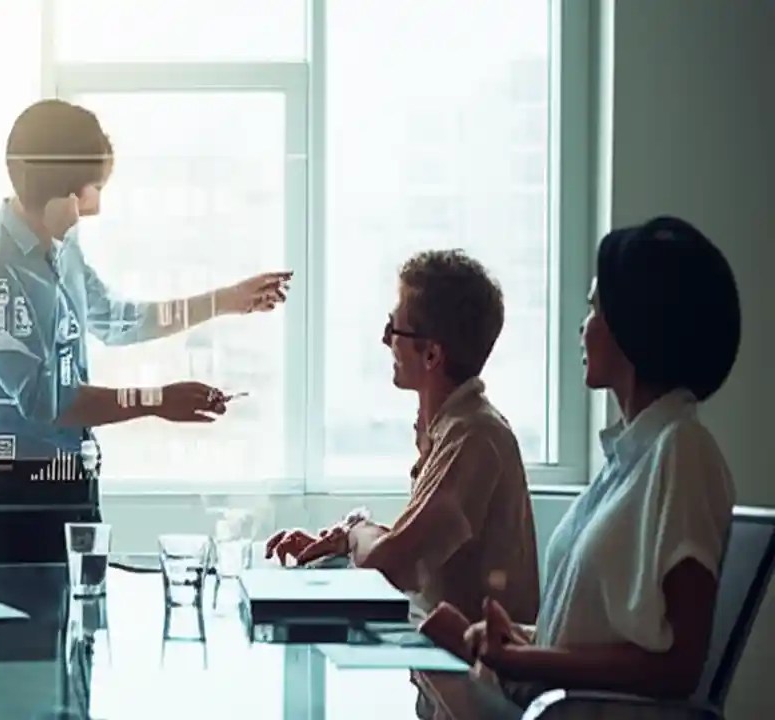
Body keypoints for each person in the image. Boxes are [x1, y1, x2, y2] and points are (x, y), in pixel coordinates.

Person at [0, 98, 293, 563]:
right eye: (90, 189)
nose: (94, 208)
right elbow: (44, 400)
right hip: (17, 496)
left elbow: (118, 321)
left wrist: (225, 300)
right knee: (26, 635)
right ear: (59, 191)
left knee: (82, 627)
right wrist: (157, 401)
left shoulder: (63, 250)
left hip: (73, 483)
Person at [457, 216, 740, 707]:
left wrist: (526, 660)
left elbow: (679, 667)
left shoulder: (683, 452)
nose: (583, 327)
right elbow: (594, 636)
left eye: (594, 309)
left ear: (635, 323)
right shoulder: (630, 459)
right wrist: (516, 641)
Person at [265, 249, 539, 626]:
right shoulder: (456, 428)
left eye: (394, 329)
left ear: (431, 355)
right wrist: (347, 542)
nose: (384, 340)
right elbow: (423, 548)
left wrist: (355, 530)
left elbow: (389, 566)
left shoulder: (475, 438)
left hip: (477, 676)